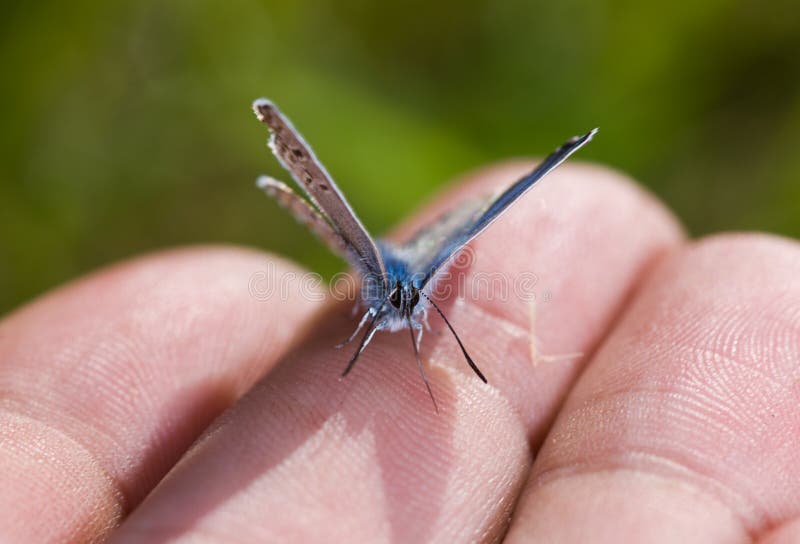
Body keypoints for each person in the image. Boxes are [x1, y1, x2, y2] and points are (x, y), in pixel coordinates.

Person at [1, 161, 798, 543]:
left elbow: (421, 318)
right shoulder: (380, 303)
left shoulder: (421, 309)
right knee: (377, 306)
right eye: (401, 318)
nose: (405, 323)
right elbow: (383, 312)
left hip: (426, 255)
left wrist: (429, 314)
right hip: (379, 261)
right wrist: (374, 316)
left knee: (425, 290)